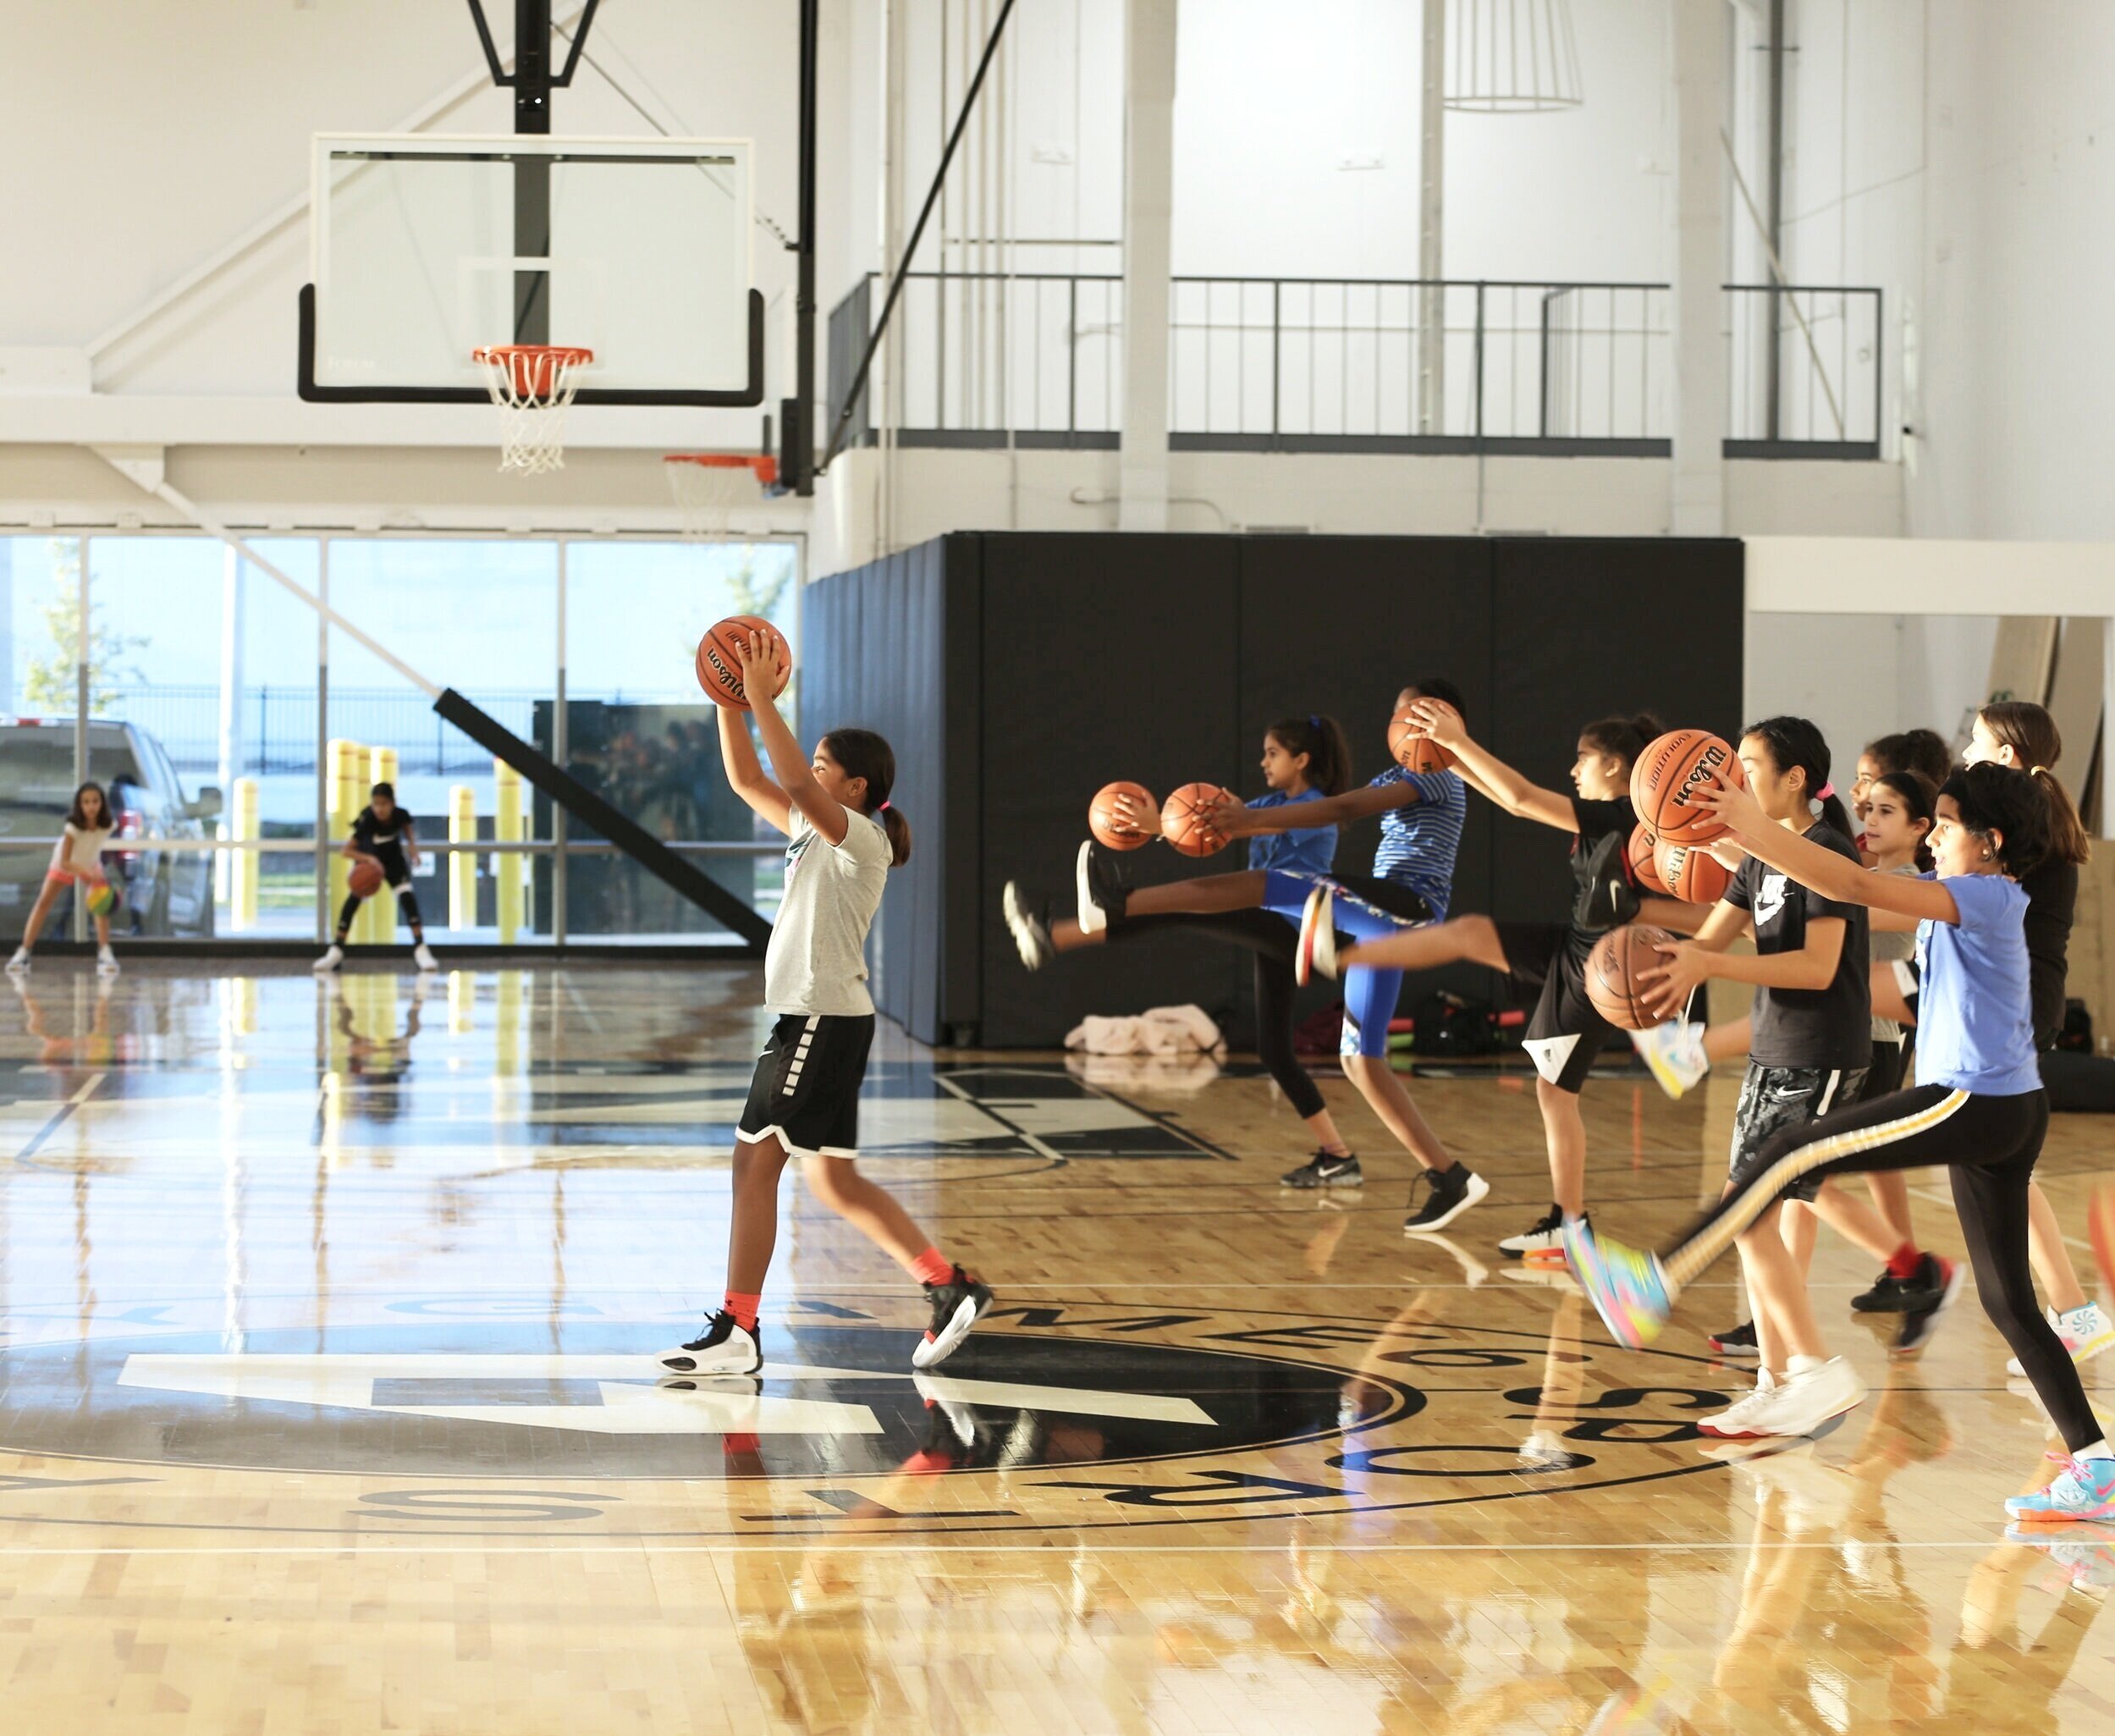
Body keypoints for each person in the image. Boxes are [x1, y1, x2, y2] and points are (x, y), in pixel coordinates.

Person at [1567, 763, 2115, 1524]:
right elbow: (1844, 897)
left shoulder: (1986, 896)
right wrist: (1739, 849)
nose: (1933, 838)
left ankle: (1655, 1278)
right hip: (2007, 1106)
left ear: (1988, 843)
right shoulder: (1961, 899)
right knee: (2007, 1301)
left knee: (1789, 1149)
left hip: (1972, 1100)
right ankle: (2095, 1461)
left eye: (1946, 825)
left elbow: (1854, 888)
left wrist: (1754, 827)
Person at [1005, 680, 1489, 1233]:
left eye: (1415, 712)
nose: (1402, 721)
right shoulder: (1398, 773)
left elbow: (1346, 805)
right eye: (1399, 712)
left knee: (1268, 884)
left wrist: (1250, 821)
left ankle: (1115, 906)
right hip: (1379, 927)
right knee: (1360, 1062)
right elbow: (1218, 818)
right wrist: (1150, 825)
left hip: (1407, 907)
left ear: (1444, 720)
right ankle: (1448, 1175)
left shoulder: (1435, 774)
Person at [662, 629, 993, 1377]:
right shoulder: (815, 829)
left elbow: (786, 775)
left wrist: (759, 697)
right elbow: (752, 778)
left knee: (753, 1165)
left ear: (852, 788)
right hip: (822, 1021)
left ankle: (739, 1329)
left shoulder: (861, 838)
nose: (806, 775)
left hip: (817, 1020)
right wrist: (727, 701)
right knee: (831, 1178)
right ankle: (947, 1283)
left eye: (820, 766)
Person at [1294, 705, 1705, 1258]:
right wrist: (1451, 757)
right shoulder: (1611, 816)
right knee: (1469, 933)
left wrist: (1458, 743)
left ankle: (1570, 1222)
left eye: (1581, 758)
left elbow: (1519, 799)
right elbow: (1516, 799)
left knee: (1554, 1092)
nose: (1572, 769)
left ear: (1612, 764)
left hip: (1597, 969)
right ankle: (1337, 956)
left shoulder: (1621, 818)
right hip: (1573, 946)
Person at [1000, 715, 1369, 1187]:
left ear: (1302, 760)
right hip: (1274, 932)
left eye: (1273, 753)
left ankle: (1055, 935)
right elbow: (1213, 828)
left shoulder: (1315, 809)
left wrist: (1191, 820)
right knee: (1274, 1052)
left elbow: (1244, 828)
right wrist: (1157, 825)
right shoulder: (1273, 801)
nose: (1263, 761)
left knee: (1186, 906)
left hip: (1306, 936)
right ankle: (1337, 1156)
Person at [314, 783, 438, 973]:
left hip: (393, 861)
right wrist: (370, 859)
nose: (380, 808)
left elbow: (407, 827)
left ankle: (421, 948)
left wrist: (413, 848)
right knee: (353, 901)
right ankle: (336, 950)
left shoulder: (400, 815)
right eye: (376, 804)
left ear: (393, 803)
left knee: (407, 899)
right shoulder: (368, 820)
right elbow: (347, 851)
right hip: (369, 863)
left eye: (384, 804)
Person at [8, 781, 120, 978]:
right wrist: (85, 871)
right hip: (65, 863)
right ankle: (23, 953)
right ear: (80, 805)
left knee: (101, 906)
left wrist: (104, 879)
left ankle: (105, 954)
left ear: (102, 803)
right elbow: (66, 861)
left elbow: (105, 849)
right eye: (86, 802)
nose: (91, 806)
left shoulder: (108, 825)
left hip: (91, 862)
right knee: (44, 903)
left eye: (95, 801)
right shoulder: (73, 828)